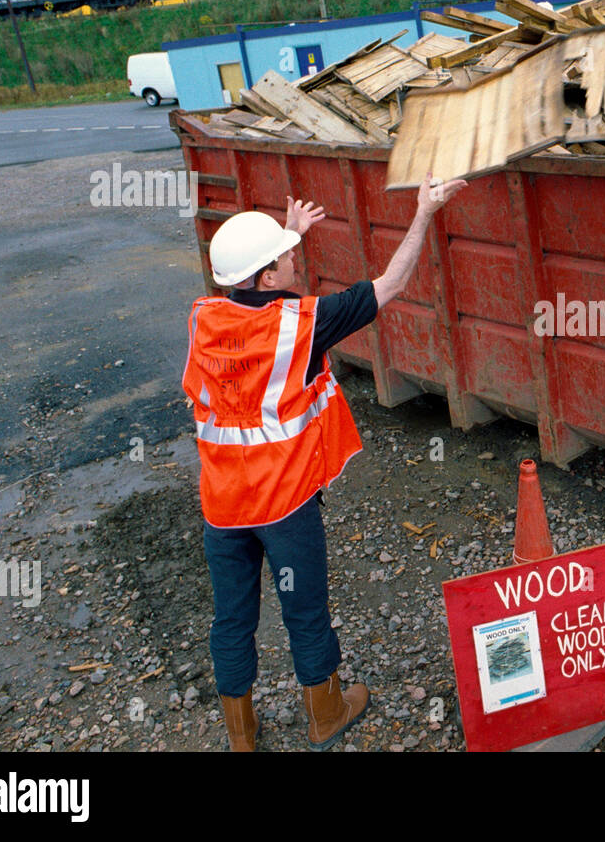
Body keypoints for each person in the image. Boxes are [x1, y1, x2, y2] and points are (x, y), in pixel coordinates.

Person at [182, 172, 467, 751]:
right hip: (283, 507)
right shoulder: (303, 325)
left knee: (232, 618)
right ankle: (325, 712)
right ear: (268, 276)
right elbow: (391, 283)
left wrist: (285, 237)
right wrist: (424, 213)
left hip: (222, 508)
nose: (296, 265)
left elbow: (253, 305)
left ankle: (241, 734)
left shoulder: (205, 319)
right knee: (304, 610)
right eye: (285, 261)